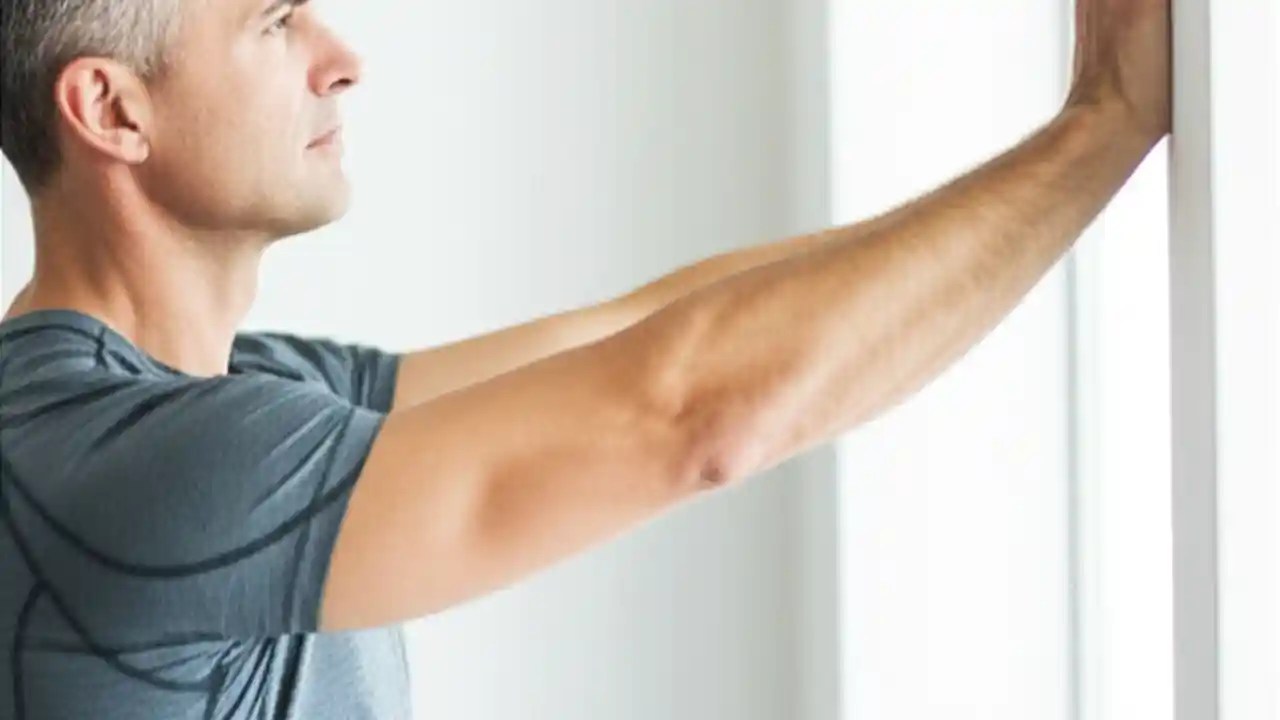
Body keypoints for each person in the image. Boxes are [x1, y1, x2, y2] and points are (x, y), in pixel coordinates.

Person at [0, 0, 1171, 717]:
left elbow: (630, 330)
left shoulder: (221, 393)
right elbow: (684, 414)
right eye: (275, 18)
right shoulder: (129, 469)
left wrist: (1047, 146)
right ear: (111, 109)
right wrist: (1105, 123)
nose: (341, 56)